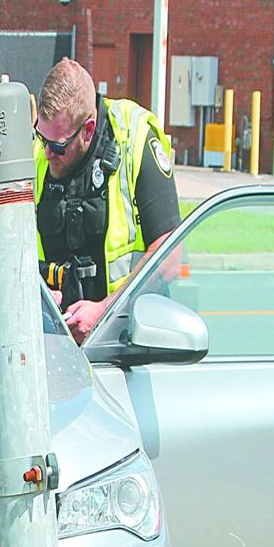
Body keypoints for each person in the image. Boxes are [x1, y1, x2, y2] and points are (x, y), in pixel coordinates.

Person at [32, 58, 181, 344]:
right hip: (55, 341)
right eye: (43, 139)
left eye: (58, 146)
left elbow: (169, 258)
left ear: (88, 130)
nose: (48, 153)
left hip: (125, 344)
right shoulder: (41, 151)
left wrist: (104, 311)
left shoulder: (134, 139)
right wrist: (39, 293)